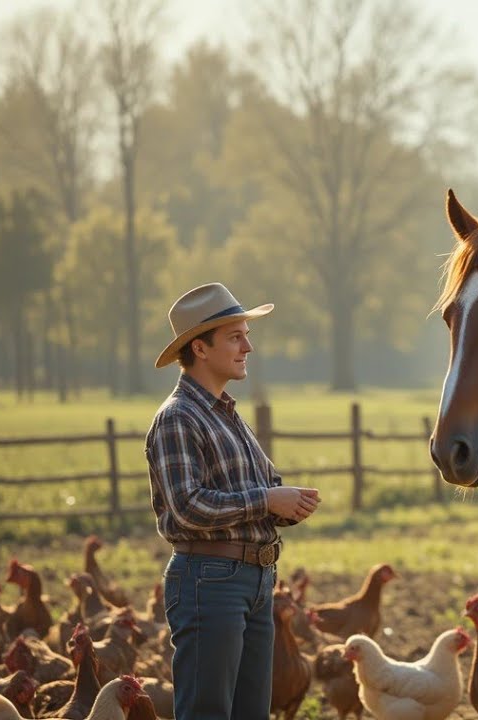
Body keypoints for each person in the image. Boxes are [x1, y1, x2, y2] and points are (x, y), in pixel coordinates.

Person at [147, 282, 322, 719]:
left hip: (255, 578)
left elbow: (263, 486)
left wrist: (289, 504)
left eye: (246, 335)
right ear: (200, 348)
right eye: (235, 337)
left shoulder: (226, 414)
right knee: (208, 712)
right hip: (210, 580)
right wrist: (268, 499)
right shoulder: (178, 417)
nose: (248, 347)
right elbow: (189, 506)